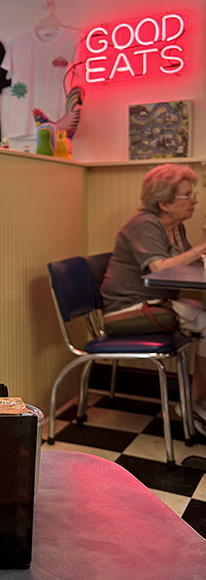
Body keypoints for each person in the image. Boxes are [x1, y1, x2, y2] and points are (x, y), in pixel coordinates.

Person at [101, 163, 206, 436]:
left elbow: (181, 269)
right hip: (127, 310)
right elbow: (159, 268)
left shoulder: (176, 227)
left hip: (156, 304)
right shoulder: (144, 225)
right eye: (187, 195)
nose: (194, 200)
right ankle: (194, 405)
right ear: (164, 204)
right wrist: (202, 248)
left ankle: (196, 401)